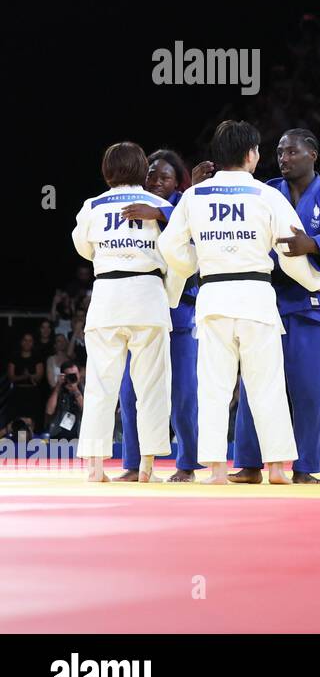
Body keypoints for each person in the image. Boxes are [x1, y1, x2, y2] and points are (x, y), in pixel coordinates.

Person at [158, 120, 320, 485]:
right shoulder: (267, 197)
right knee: (266, 385)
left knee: (215, 388)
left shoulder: (195, 196)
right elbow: (290, 250)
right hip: (257, 300)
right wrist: (318, 281)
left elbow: (170, 247)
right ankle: (280, 468)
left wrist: (194, 262)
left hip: (214, 297)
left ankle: (217, 468)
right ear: (252, 155)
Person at [230, 128, 320, 484]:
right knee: (255, 383)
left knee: (307, 389)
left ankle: (304, 468)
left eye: (292, 152)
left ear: (313, 155)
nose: (284, 159)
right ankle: (251, 464)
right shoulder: (266, 191)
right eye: (280, 153)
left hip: (310, 304)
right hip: (266, 298)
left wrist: (312, 244)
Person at [71, 142, 182, 483]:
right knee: (152, 386)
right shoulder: (161, 206)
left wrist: (113, 257)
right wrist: (170, 296)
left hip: (106, 297)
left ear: (107, 171)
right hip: (148, 297)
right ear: (141, 170)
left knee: (101, 386)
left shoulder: (91, 206)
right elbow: (178, 256)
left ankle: (95, 467)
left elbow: (84, 248)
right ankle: (147, 467)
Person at [115, 149, 209, 482]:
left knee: (183, 393)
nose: (156, 181)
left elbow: (196, 230)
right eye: (152, 174)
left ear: (177, 182)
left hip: (180, 311)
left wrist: (157, 212)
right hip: (141, 309)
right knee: (131, 391)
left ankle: (187, 465)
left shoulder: (186, 204)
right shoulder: (127, 204)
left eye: (164, 176)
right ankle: (133, 463)